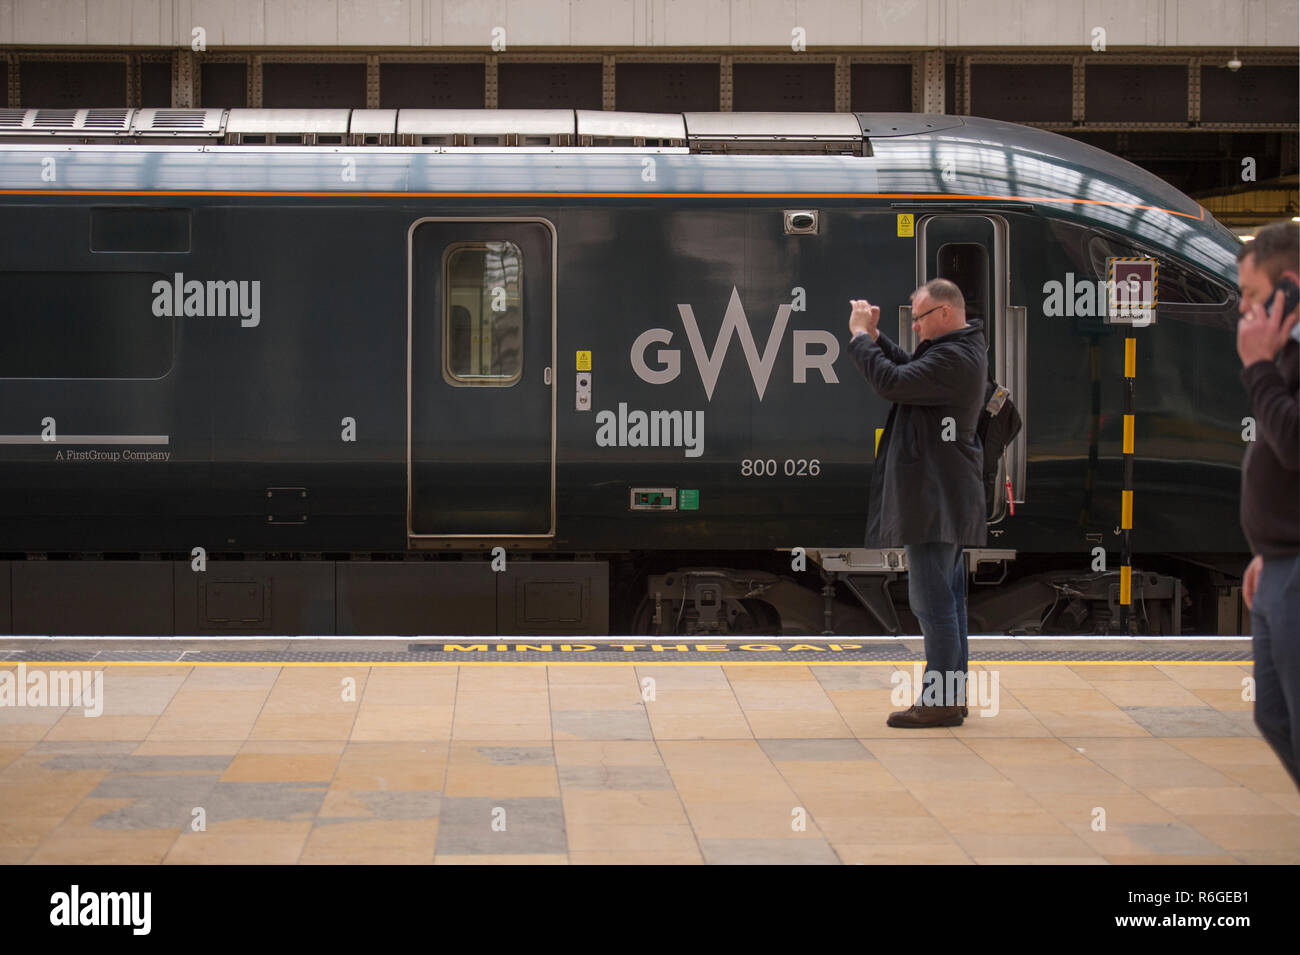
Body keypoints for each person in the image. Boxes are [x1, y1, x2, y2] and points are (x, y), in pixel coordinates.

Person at [847, 278, 988, 727]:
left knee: (933, 604)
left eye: (920, 318)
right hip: (943, 495)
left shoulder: (953, 357)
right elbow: (909, 369)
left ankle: (943, 702)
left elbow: (892, 381)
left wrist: (856, 338)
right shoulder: (957, 351)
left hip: (935, 499)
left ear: (944, 314)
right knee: (947, 602)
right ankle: (952, 695)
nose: (916, 327)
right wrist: (876, 338)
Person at [1235, 221, 1300, 792]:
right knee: (1273, 714)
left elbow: (1294, 443)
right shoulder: (1287, 357)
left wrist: (1258, 369)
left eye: (1252, 297)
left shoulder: (1276, 363)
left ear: (1290, 291)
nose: (1243, 313)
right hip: (1278, 562)